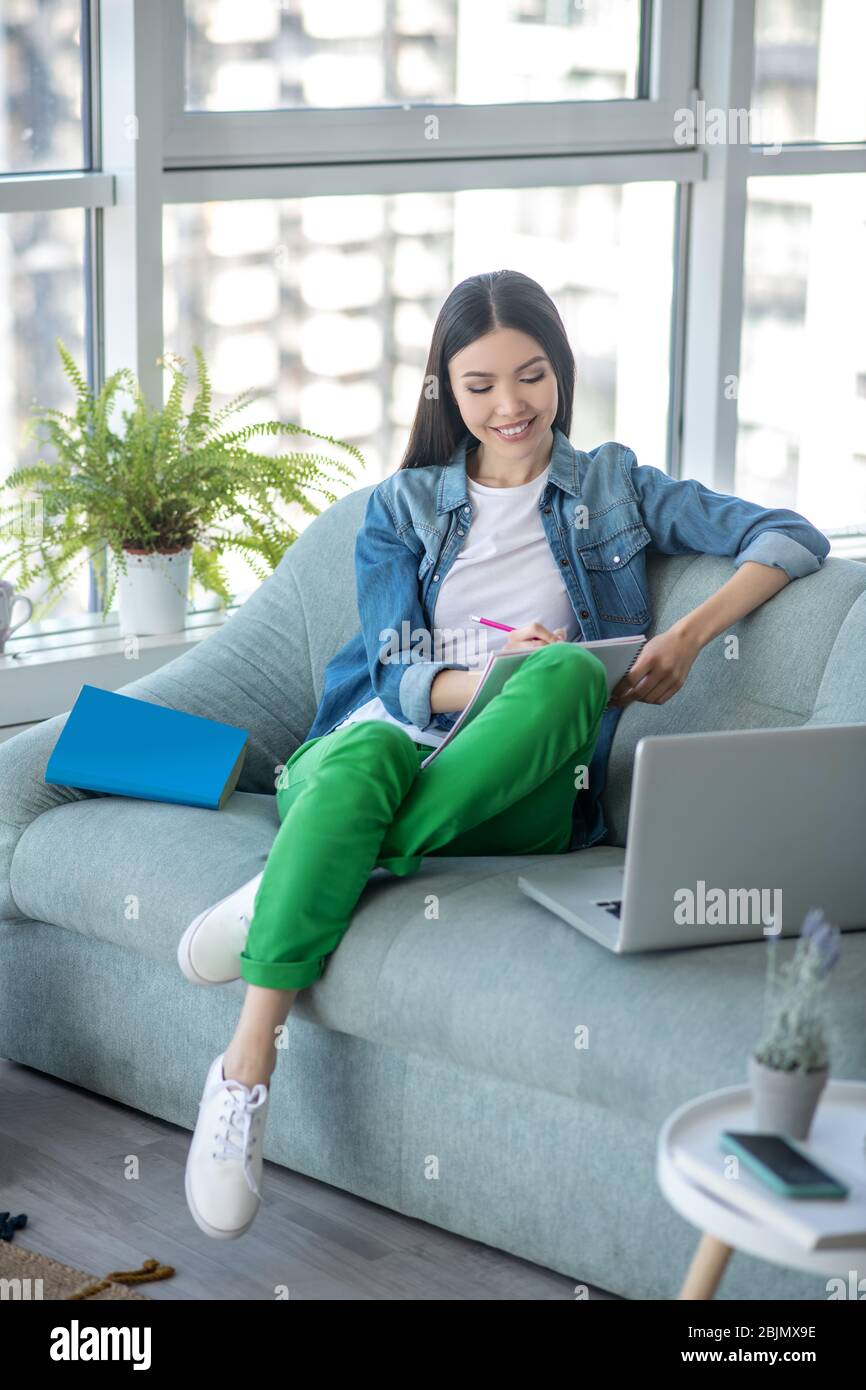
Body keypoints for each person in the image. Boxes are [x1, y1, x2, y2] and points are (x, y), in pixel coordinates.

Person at [179, 269, 830, 1239]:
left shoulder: (612, 487)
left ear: (558, 371)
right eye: (477, 385)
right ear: (445, 390)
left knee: (567, 677)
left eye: (529, 376)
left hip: (521, 790)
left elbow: (789, 535)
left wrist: (686, 637)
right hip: (383, 739)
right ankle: (244, 1065)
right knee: (361, 763)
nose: (509, 405)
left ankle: (303, 876)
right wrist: (486, 674)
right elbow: (398, 676)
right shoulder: (399, 509)